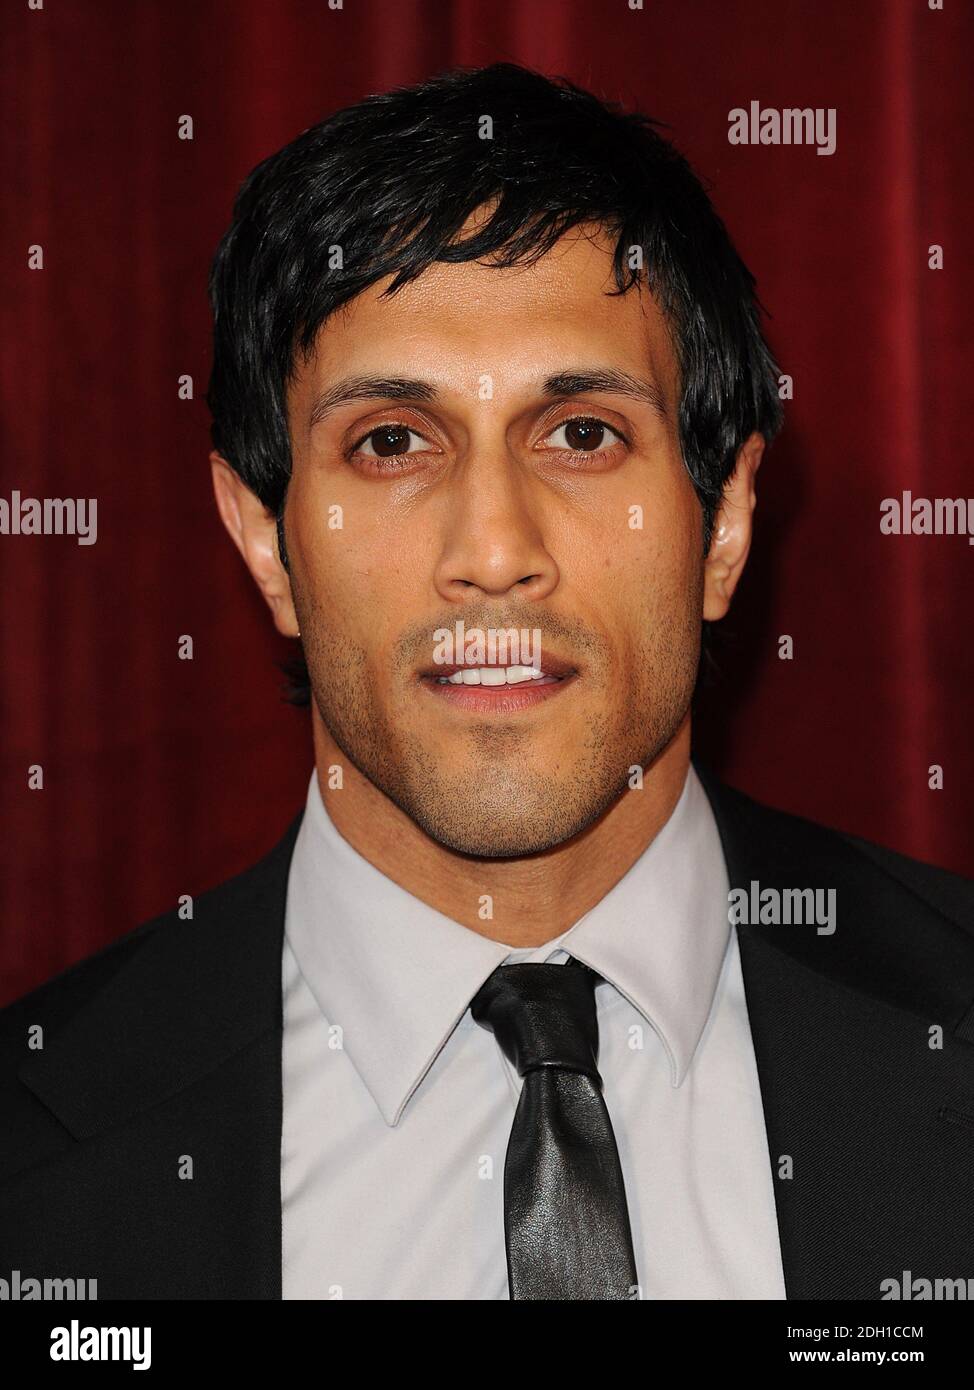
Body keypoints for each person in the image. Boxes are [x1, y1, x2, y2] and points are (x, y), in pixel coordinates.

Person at [2, 62, 972, 1302]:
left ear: (723, 520)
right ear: (266, 542)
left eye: (580, 433)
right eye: (391, 443)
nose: (494, 552)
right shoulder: (33, 1177)